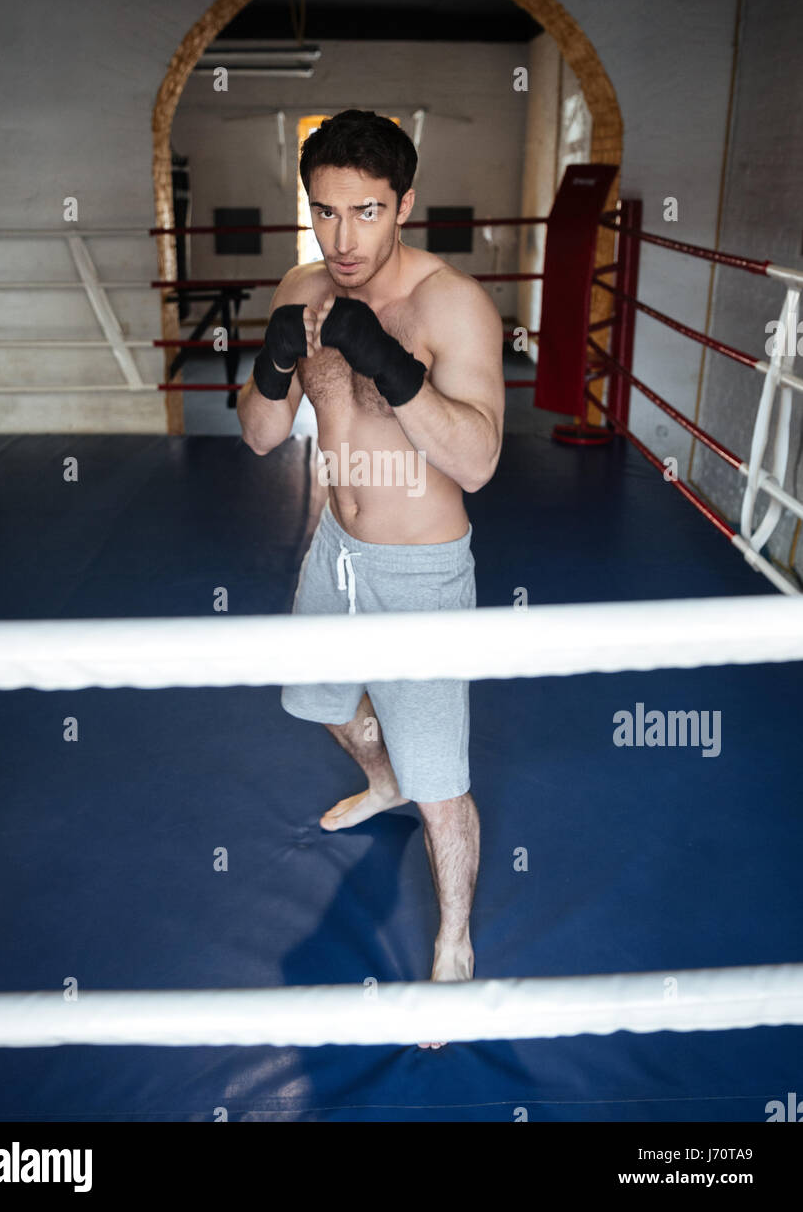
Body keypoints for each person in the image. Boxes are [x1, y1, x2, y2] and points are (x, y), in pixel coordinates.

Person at [237, 109, 504, 1048]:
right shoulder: (302, 286)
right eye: (325, 212)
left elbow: (477, 463)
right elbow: (264, 436)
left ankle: (457, 946)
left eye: (366, 210)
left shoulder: (450, 305)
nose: (343, 239)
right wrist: (273, 365)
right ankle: (381, 775)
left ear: (405, 205)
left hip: (422, 570)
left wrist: (388, 365)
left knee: (445, 787)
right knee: (316, 700)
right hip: (334, 550)